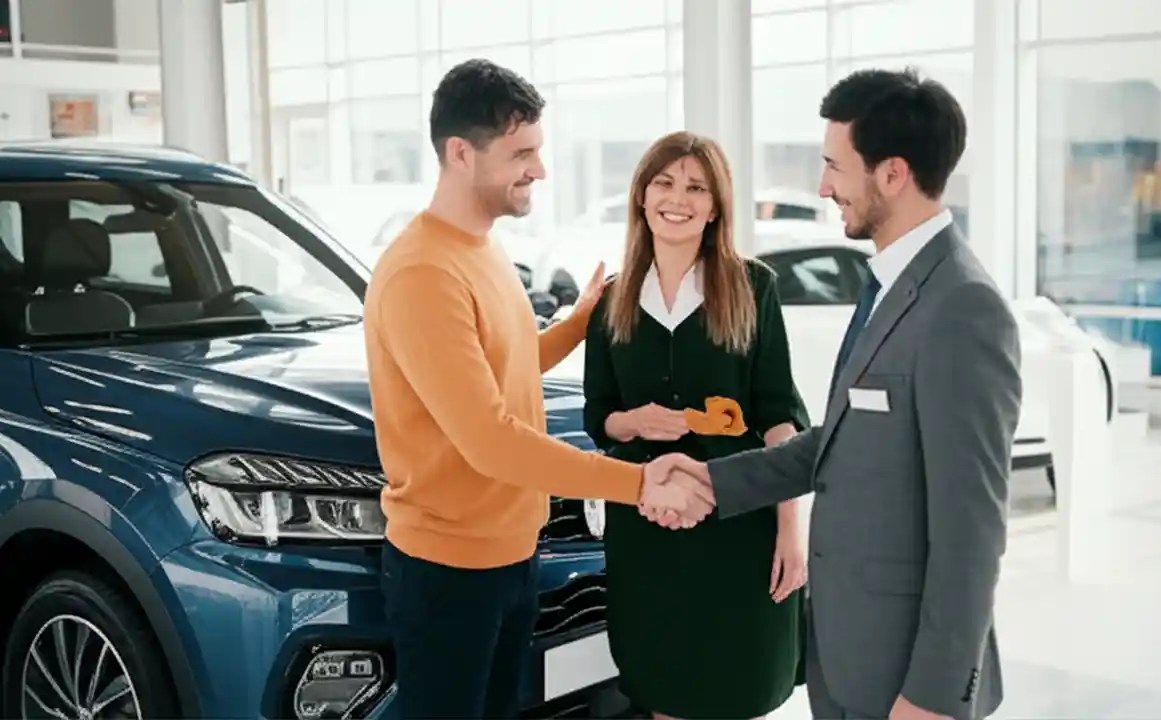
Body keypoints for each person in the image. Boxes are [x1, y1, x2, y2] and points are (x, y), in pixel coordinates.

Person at [657, 68, 1022, 719]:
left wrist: (933, 697)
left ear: (892, 174)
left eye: (834, 167)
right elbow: (845, 441)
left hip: (906, 684)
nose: (823, 187)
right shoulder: (890, 281)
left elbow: (973, 531)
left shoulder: (962, 307)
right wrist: (714, 482)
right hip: (850, 659)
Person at [363, 59, 712, 720]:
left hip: (513, 557)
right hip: (449, 572)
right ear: (461, 153)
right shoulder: (422, 273)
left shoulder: (481, 248)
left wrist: (576, 326)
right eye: (523, 153)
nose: (540, 171)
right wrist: (638, 485)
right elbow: (490, 439)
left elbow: (506, 363)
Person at [582, 131, 811, 719]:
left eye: (695, 186)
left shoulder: (753, 287)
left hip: (738, 526)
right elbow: (598, 413)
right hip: (648, 525)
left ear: (715, 207)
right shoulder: (613, 301)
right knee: (664, 684)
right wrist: (631, 421)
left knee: (736, 684)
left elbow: (779, 417)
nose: (676, 198)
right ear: (641, 196)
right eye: (663, 182)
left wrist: (791, 528)